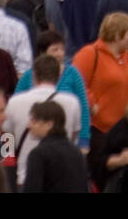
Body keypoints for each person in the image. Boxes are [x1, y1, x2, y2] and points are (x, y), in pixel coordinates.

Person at [74, 11, 128, 171]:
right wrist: (92, 104)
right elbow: (76, 82)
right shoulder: (89, 53)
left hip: (125, 129)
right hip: (98, 130)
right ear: (117, 35)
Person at [5, 54, 83, 190]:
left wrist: (9, 171)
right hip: (62, 180)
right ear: (58, 76)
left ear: (33, 75)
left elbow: (7, 140)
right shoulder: (72, 102)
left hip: (23, 178)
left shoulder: (14, 102)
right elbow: (73, 138)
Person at [12, 29, 92, 152]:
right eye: (55, 50)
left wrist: (83, 142)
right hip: (30, 147)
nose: (60, 54)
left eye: (62, 49)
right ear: (42, 53)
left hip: (62, 150)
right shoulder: (24, 84)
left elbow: (84, 110)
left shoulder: (73, 77)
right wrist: (8, 158)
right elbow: (8, 130)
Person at [23, 100, 91, 193]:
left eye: (34, 121)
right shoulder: (76, 152)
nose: (29, 125)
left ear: (49, 124)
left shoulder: (38, 154)